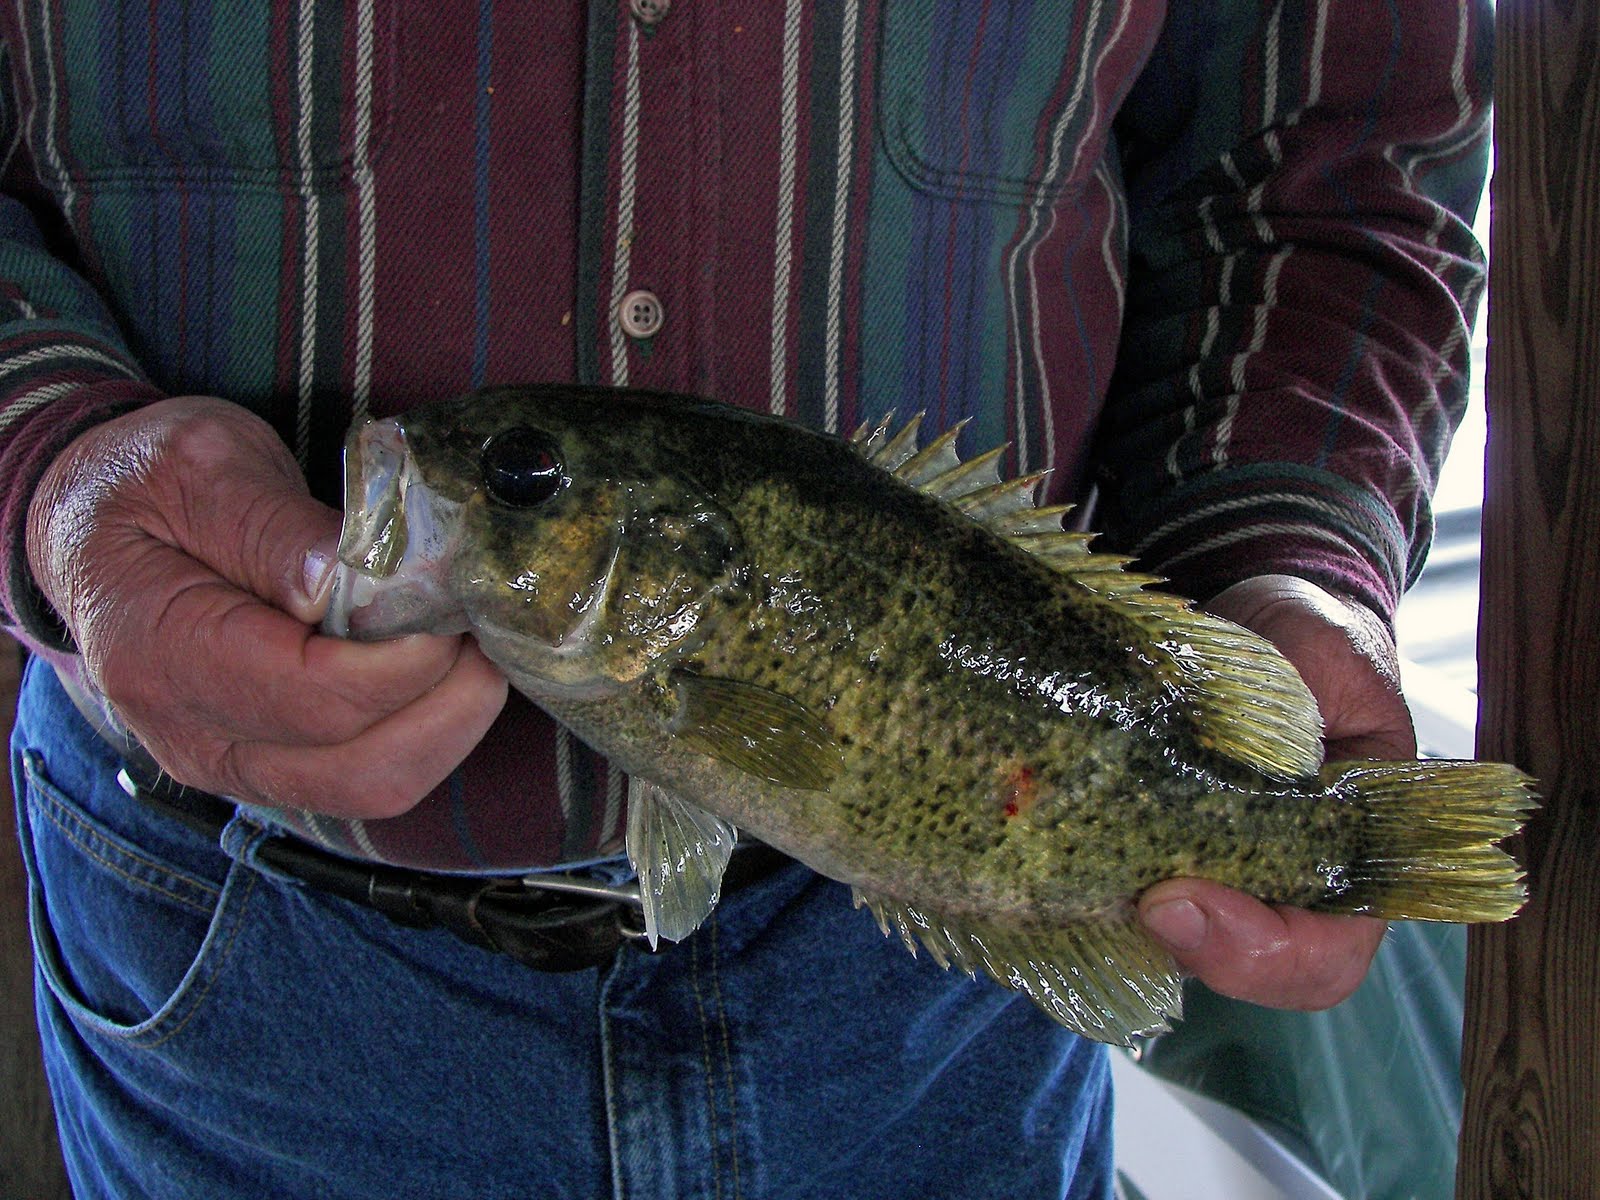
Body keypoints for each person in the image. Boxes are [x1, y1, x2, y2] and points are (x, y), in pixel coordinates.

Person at [0, 3, 1491, 1197]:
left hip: (936, 1021)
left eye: (519, 480)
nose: (474, 478)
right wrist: (49, 467)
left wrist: (1285, 555)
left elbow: (1333, 164)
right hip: (243, 961)